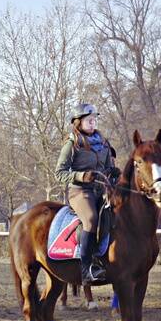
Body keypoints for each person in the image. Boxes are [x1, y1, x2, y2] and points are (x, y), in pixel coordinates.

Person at [54, 103, 118, 285]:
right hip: (80, 191)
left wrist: (113, 172)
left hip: (102, 191)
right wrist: (81, 176)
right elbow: (59, 173)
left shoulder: (104, 143)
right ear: (78, 122)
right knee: (91, 219)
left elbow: (108, 167)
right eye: (89, 120)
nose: (93, 122)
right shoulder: (72, 144)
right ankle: (86, 269)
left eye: (94, 119)